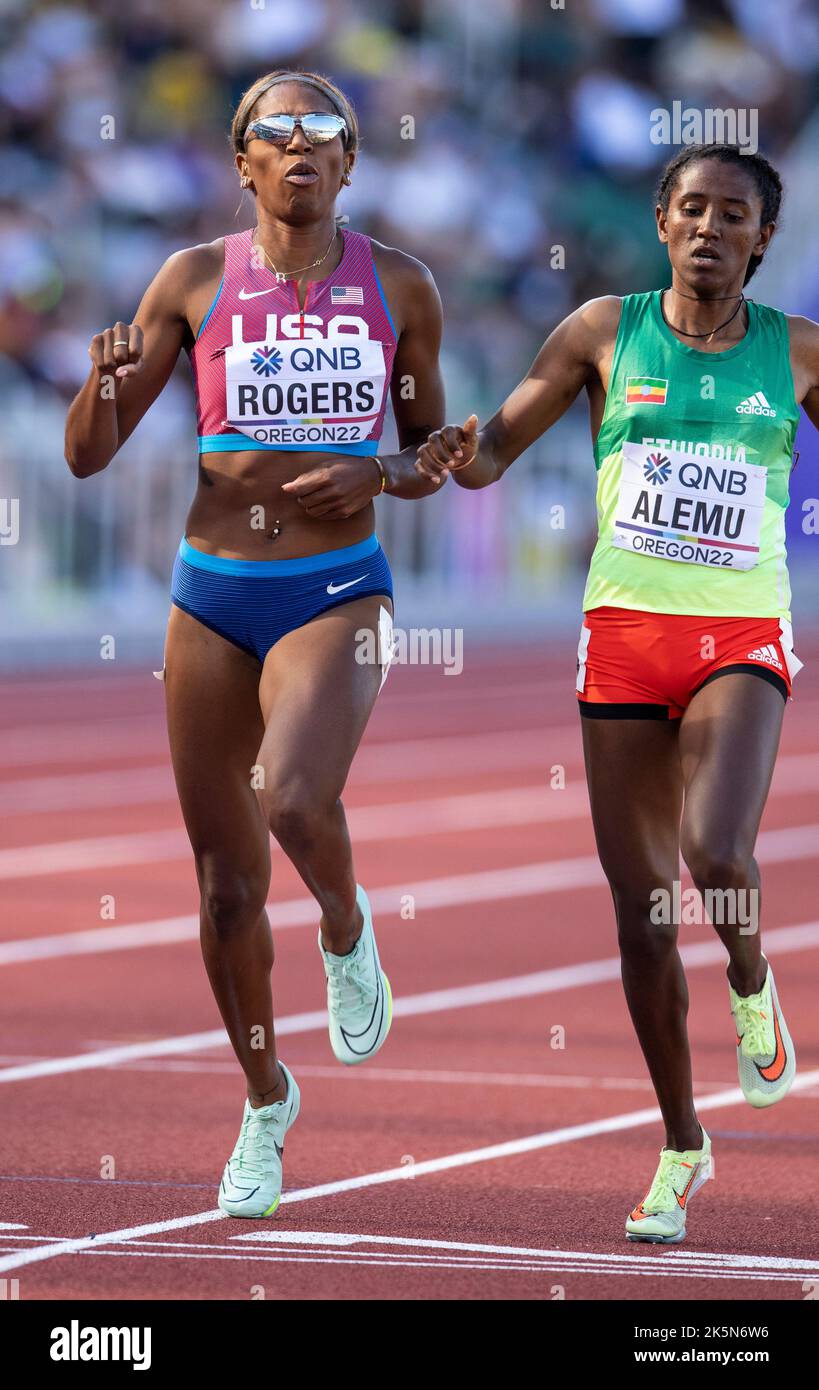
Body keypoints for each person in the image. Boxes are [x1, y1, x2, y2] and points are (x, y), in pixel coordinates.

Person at [416, 143, 819, 1244]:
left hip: (738, 633)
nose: (708, 229)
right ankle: (684, 1145)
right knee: (642, 918)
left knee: (718, 855)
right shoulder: (603, 330)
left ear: (761, 238)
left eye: (732, 215)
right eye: (691, 209)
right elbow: (497, 449)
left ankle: (750, 978)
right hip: (622, 643)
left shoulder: (798, 353)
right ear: (660, 220)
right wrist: (458, 449)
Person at [65, 69, 445, 1218]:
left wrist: (377, 467)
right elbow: (88, 455)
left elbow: (438, 455)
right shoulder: (191, 282)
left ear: (349, 163)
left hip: (337, 588)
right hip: (210, 597)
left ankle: (345, 923)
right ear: (243, 165)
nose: (297, 147)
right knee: (227, 891)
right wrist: (98, 386)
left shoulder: (403, 287)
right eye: (272, 133)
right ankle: (267, 1098)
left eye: (320, 131)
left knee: (291, 799)